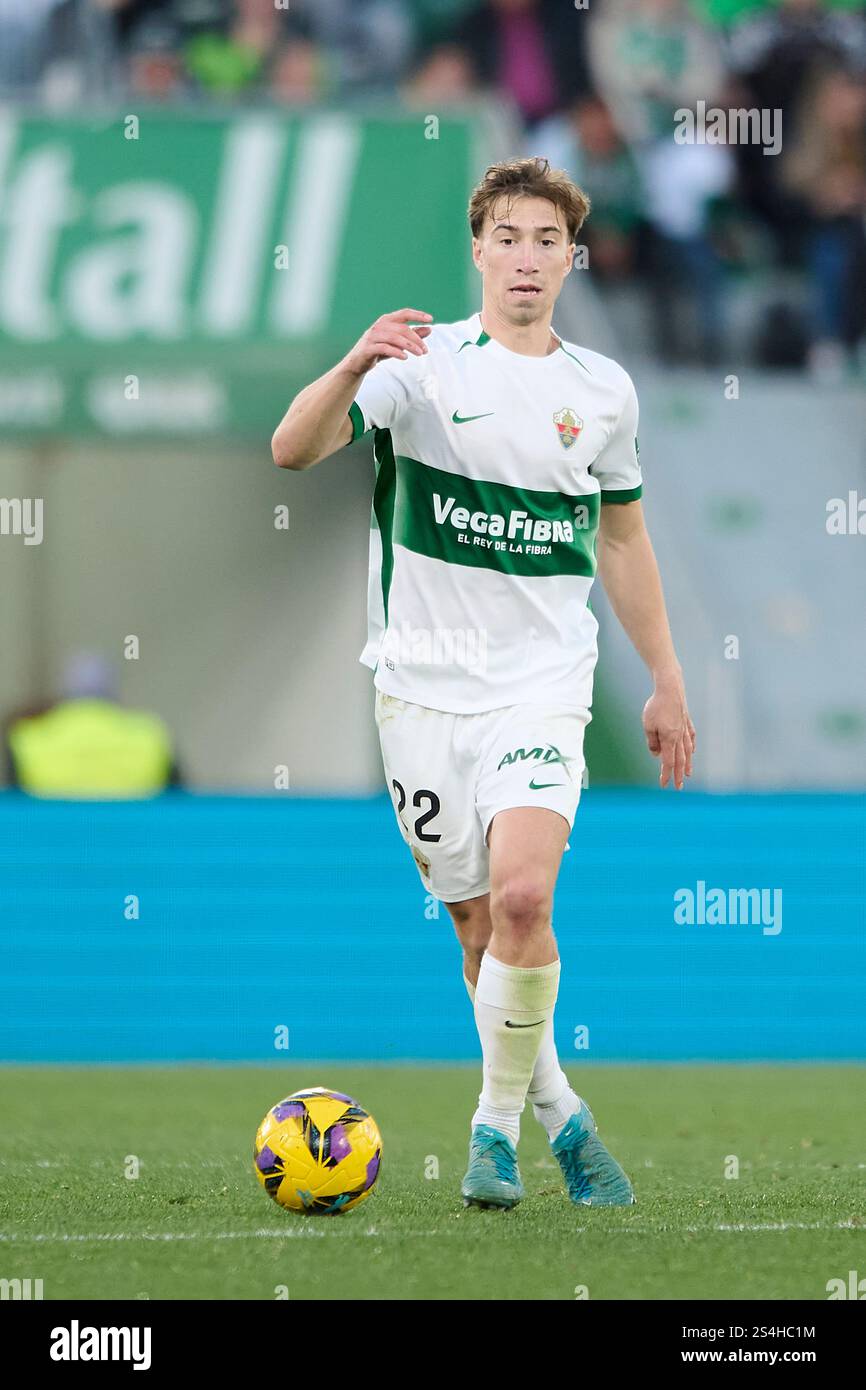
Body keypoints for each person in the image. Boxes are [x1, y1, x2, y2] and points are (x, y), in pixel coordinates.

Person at [271, 156, 695, 1210]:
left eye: (545, 240)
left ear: (569, 258)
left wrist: (666, 676)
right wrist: (348, 365)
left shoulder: (600, 392)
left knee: (521, 896)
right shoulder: (418, 367)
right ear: (477, 249)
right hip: (418, 694)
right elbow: (290, 450)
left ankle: (489, 1133)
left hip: (540, 688)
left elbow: (626, 538)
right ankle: (564, 1117)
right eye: (506, 236)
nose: (524, 257)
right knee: (476, 933)